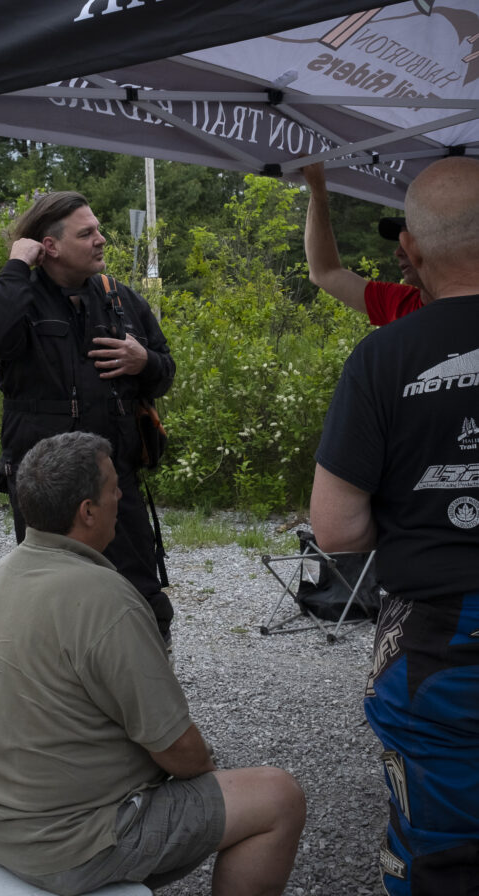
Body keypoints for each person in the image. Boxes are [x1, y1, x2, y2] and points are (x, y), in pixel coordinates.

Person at [0, 431, 306, 896]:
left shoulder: (2, 573)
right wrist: (205, 779)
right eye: (113, 488)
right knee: (278, 798)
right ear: (87, 512)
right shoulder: (107, 599)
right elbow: (177, 748)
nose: (122, 495)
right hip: (69, 848)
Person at [309, 156, 479, 894]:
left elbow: (336, 531)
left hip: (440, 648)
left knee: (441, 860)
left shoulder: (383, 355)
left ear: (408, 250)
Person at [0, 191, 175, 639]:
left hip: (112, 476)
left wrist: (146, 363)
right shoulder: (18, 298)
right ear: (51, 246)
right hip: (44, 482)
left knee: (139, 589)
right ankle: (66, 691)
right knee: (52, 594)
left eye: (98, 229)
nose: (101, 239)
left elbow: (164, 373)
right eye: (87, 233)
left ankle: (145, 680)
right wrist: (16, 265)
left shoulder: (120, 299)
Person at [302, 161, 432, 325]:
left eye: (409, 240)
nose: (398, 252)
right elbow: (324, 272)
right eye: (399, 242)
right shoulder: (398, 302)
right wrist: (318, 193)